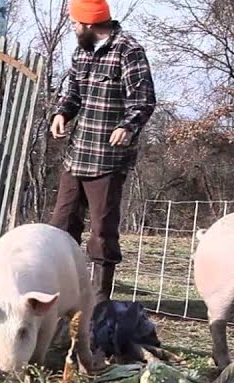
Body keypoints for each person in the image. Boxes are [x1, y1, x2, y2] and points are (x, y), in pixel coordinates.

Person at [48, 0, 156, 300]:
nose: (72, 28)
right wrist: (61, 114)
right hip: (77, 154)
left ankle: (98, 305)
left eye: (74, 24)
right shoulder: (82, 51)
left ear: (89, 24)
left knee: (102, 233)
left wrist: (127, 126)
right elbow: (71, 93)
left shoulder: (128, 51)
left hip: (107, 159)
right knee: (60, 226)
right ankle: (59, 296)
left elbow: (144, 101)